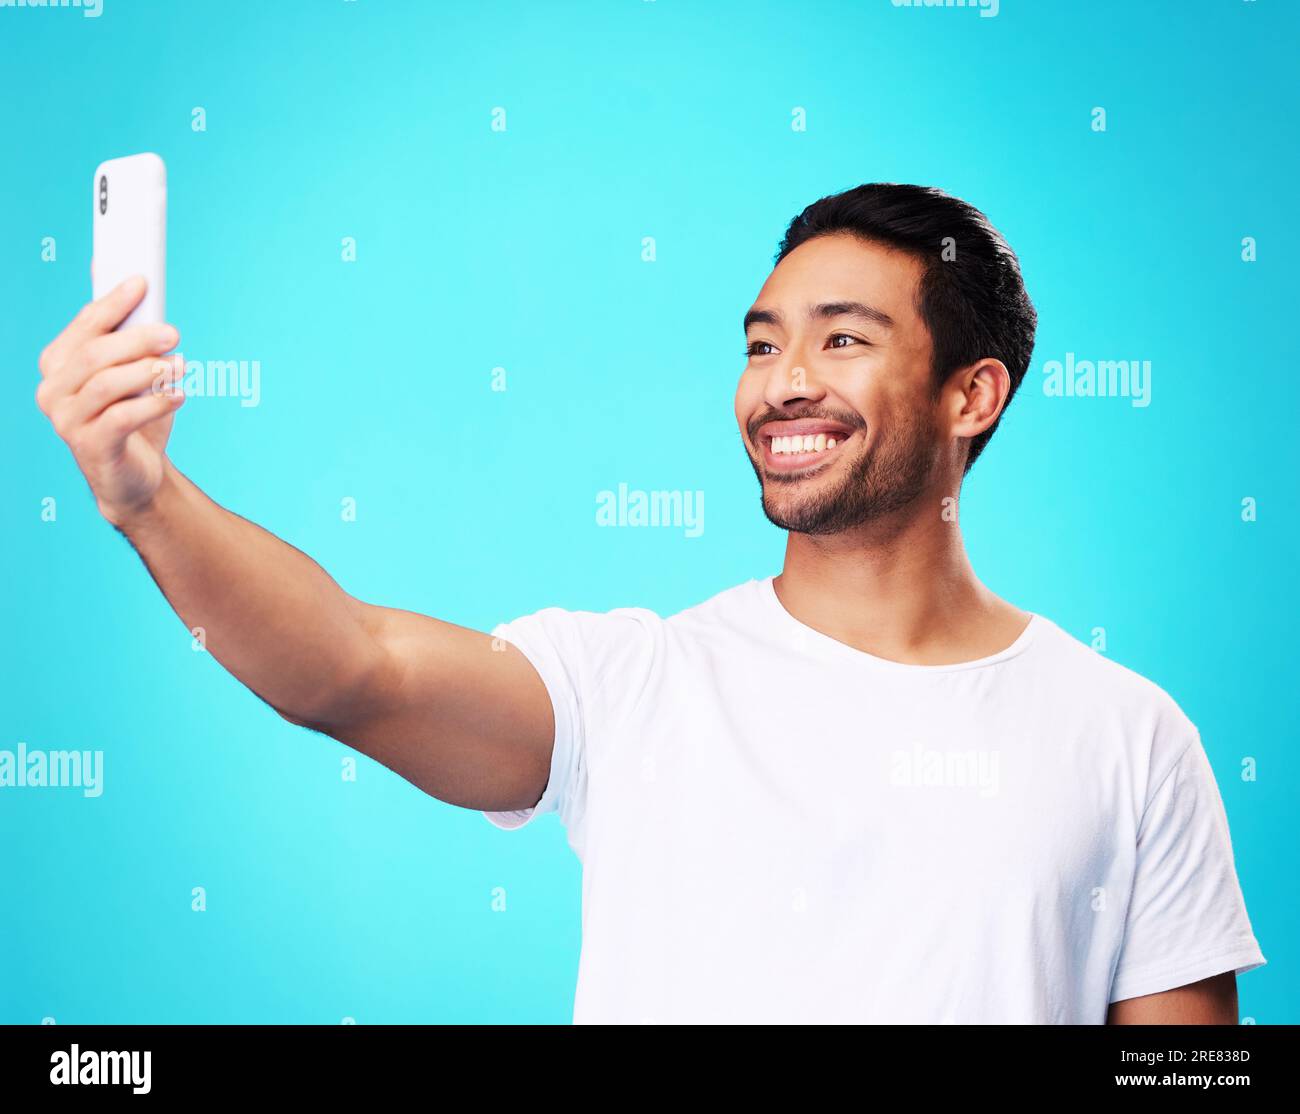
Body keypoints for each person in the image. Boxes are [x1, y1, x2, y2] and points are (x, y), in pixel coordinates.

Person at [34, 182, 1265, 1024]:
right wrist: (145, 494)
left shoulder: (1128, 735)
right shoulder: (635, 687)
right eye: (760, 343)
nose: (781, 385)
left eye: (840, 342)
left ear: (971, 395)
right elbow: (351, 669)